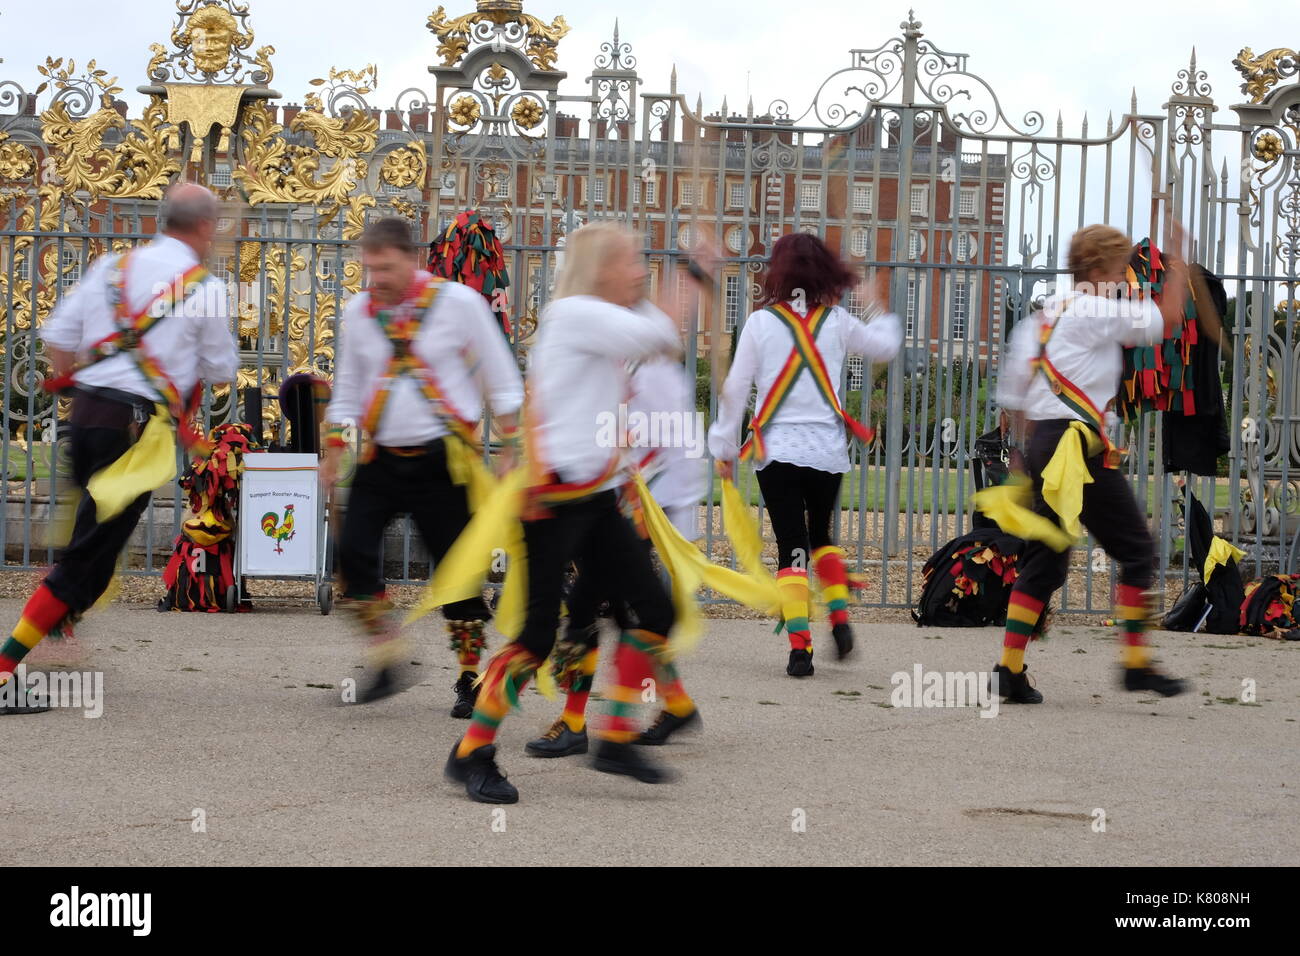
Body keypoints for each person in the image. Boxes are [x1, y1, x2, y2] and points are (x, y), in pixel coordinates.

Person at [445, 221, 698, 803]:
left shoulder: (594, 324)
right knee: (535, 637)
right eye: (632, 261)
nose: (639, 272)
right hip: (552, 502)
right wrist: (694, 275)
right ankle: (471, 752)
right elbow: (657, 337)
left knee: (657, 609)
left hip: (596, 496)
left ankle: (611, 736)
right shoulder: (577, 315)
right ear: (602, 268)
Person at [1, 182, 239, 714]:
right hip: (133, 433)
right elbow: (222, 370)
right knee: (88, 556)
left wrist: (88, 377)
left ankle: (59, 617)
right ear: (203, 228)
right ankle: (5, 666)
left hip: (86, 418)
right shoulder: (205, 287)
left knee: (94, 547)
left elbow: (58, 340)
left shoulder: (112, 268)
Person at [321, 217, 523, 715]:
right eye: (370, 268)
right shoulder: (360, 313)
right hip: (382, 458)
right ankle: (389, 656)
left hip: (443, 461)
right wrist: (333, 449)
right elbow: (347, 388)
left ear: (411, 259)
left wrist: (512, 447)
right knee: (352, 555)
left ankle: (471, 676)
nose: (377, 279)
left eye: (385, 268)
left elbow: (500, 376)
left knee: (458, 577)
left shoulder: (458, 305)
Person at [987, 222, 1192, 703]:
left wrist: (1022, 454)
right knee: (1138, 550)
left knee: (1045, 560)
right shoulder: (1096, 309)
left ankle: (1009, 669)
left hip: (1044, 444)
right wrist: (1179, 263)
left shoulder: (1039, 319)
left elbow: (1013, 395)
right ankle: (1136, 663)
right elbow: (1168, 319)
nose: (1125, 278)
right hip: (1078, 447)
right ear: (1099, 268)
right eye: (1121, 268)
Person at [708, 233, 902, 678]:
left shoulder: (760, 324)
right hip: (827, 451)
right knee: (823, 536)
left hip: (777, 451)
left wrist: (722, 446)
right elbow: (886, 347)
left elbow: (735, 389)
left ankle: (800, 649)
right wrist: (878, 305)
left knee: (791, 546)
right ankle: (838, 617)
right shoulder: (836, 320)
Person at [525, 342, 708, 758]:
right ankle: (672, 706)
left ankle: (581, 724)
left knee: (589, 610)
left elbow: (678, 449)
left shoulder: (652, 371)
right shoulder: (604, 361)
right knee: (624, 613)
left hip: (631, 512)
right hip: (604, 506)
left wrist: (671, 524)